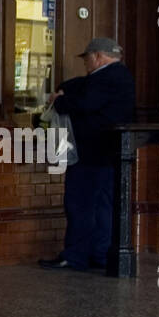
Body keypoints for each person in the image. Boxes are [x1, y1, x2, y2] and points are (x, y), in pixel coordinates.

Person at [38, 37, 136, 271]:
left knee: (79, 204)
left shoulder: (107, 78)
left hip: (91, 152)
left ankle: (75, 256)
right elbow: (80, 85)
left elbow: (84, 103)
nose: (85, 64)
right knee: (103, 206)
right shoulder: (117, 76)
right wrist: (64, 90)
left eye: (87, 59)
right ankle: (100, 254)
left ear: (98, 56)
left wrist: (60, 102)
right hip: (110, 153)